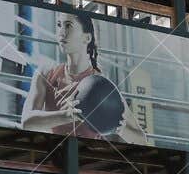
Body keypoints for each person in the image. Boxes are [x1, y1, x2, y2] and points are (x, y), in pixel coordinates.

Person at [22, 10, 147, 143]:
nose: (61, 32)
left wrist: (121, 129)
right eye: (59, 25)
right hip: (55, 155)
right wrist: (66, 116)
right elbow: (26, 123)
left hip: (89, 158)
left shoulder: (103, 86)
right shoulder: (45, 74)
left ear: (87, 38)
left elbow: (141, 140)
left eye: (68, 25)